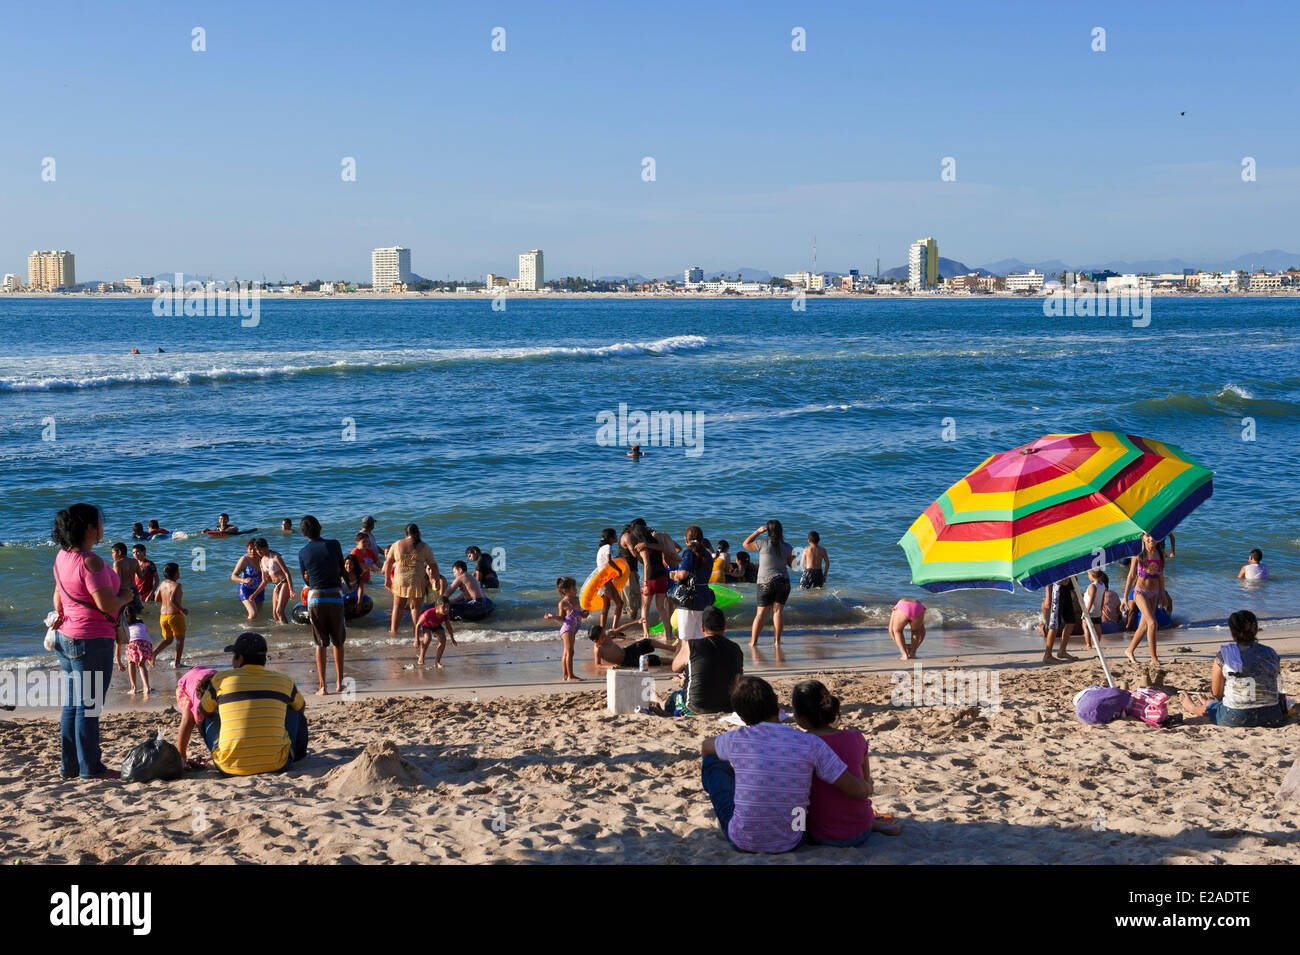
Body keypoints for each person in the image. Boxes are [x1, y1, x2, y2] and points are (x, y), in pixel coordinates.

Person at [700, 676, 872, 853]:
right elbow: (854, 788)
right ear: (776, 701)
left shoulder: (736, 739)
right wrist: (867, 787)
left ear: (742, 718)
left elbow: (705, 747)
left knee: (713, 762)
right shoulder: (809, 742)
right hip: (793, 839)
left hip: (743, 840)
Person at [51, 503, 131, 780]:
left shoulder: (62, 557)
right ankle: (90, 768)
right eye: (100, 521)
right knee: (89, 706)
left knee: (73, 704)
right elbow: (107, 604)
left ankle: (70, 766)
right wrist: (126, 598)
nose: (103, 526)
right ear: (89, 528)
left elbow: (57, 599)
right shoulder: (92, 561)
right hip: (92, 640)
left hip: (67, 637)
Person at [793, 680, 902, 845]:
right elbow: (866, 781)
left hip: (820, 834)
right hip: (860, 829)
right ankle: (873, 823)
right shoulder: (855, 737)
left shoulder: (801, 744)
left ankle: (873, 823)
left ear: (800, 718)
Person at [198, 632, 308, 775]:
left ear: (240, 658)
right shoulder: (283, 681)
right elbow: (301, 708)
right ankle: (297, 753)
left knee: (207, 713)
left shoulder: (221, 679)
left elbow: (203, 711)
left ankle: (231, 751)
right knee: (294, 708)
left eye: (234, 655)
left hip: (228, 767)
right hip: (277, 764)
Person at [1179, 611, 1289, 727]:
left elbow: (1217, 693)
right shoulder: (1271, 652)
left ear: (1232, 632)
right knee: (1213, 703)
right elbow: (1274, 680)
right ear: (1256, 629)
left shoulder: (1225, 654)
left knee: (1212, 705)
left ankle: (1192, 707)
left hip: (1237, 716)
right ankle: (1208, 704)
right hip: (1273, 715)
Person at [298, 515, 347, 695]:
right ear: (320, 527)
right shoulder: (334, 544)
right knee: (338, 642)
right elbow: (341, 570)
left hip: (316, 597)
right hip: (335, 595)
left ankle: (323, 687)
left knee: (320, 643)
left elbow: (306, 578)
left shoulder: (303, 552)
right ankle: (340, 683)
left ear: (303, 534)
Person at [671, 605, 743, 714]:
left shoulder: (692, 645)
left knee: (673, 699)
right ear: (724, 626)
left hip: (695, 708)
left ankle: (658, 702)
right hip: (728, 707)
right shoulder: (736, 648)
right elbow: (738, 680)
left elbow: (675, 667)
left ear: (702, 628)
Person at [382, 523, 441, 635]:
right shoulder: (425, 546)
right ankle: (416, 633)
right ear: (418, 533)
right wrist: (436, 580)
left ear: (406, 534)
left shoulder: (396, 544)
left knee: (398, 607)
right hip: (417, 580)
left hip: (400, 579)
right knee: (415, 608)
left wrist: (387, 579)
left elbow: (388, 562)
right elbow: (433, 565)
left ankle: (394, 632)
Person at [743, 520, 794, 648]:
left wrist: (758, 531)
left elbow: (745, 544)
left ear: (768, 531)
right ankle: (777, 641)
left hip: (765, 582)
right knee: (778, 612)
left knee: (760, 613)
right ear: (781, 531)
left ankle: (753, 642)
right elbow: (792, 565)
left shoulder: (762, 543)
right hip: (783, 581)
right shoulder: (788, 547)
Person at [1123, 534, 1166, 665]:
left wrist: (1163, 596)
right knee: (1153, 623)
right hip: (1140, 592)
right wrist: (1125, 597)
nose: (1151, 539)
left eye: (1154, 536)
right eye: (1147, 536)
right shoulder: (1138, 553)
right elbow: (1131, 576)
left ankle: (1129, 650)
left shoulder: (1161, 553)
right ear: (1142, 537)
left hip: (1154, 592)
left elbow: (1161, 576)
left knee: (1143, 626)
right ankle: (1154, 658)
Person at [669, 525, 716, 641]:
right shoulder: (708, 555)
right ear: (702, 539)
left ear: (686, 540)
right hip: (705, 597)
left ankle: (689, 659)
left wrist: (675, 575)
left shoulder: (689, 552)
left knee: (686, 640)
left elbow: (683, 574)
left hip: (689, 599)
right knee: (700, 637)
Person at [632, 522, 674, 644]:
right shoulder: (654, 542)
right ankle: (668, 635)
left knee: (645, 607)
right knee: (661, 608)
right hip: (661, 577)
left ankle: (646, 635)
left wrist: (645, 582)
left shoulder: (642, 546)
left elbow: (646, 564)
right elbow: (663, 549)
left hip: (651, 579)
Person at [174, 665, 217, 768]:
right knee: (188, 718)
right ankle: (181, 756)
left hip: (205, 676)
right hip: (184, 687)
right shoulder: (200, 701)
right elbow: (199, 723)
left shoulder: (223, 692)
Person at [545, 577, 586, 682]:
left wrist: (584, 614)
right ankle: (571, 676)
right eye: (573, 588)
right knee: (570, 652)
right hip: (567, 629)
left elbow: (580, 614)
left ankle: (565, 676)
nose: (576, 590)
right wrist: (552, 617)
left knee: (566, 653)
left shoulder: (577, 600)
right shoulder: (563, 603)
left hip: (574, 628)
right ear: (565, 591)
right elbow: (562, 618)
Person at [589, 624, 672, 669]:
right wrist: (610, 666)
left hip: (627, 651)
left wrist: (636, 622)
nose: (605, 636)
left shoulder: (606, 635)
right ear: (595, 641)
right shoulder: (598, 650)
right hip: (627, 662)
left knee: (646, 642)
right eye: (602, 637)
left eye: (604, 633)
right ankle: (674, 662)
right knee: (654, 659)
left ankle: (671, 648)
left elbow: (621, 628)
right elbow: (598, 664)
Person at [153, 562, 188, 667]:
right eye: (178, 571)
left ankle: (153, 653)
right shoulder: (177, 585)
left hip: (163, 616)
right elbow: (173, 599)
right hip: (174, 616)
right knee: (180, 639)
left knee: (168, 639)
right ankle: (177, 663)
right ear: (176, 574)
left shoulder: (162, 584)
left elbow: (156, 599)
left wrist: (165, 601)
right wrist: (182, 609)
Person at [258, 538, 295, 625]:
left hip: (284, 583)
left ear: (266, 547)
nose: (259, 552)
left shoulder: (275, 557)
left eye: (260, 549)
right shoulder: (262, 561)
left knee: (279, 611)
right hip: (276, 586)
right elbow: (265, 580)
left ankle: (286, 632)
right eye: (257, 550)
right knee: (274, 614)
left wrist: (291, 590)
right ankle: (281, 632)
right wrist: (254, 594)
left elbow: (287, 573)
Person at [1043, 579, 1080, 662]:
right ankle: (1047, 655)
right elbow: (1048, 579)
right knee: (1054, 624)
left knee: (1071, 621)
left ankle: (1062, 651)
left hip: (1066, 591)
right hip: (1056, 591)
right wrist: (1048, 597)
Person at [594, 529, 624, 631]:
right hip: (605, 581)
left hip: (602, 580)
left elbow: (604, 564)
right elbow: (609, 561)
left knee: (606, 606)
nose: (617, 537)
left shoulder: (602, 548)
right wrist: (619, 570)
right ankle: (614, 629)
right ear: (611, 538)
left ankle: (602, 630)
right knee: (619, 603)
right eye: (616, 535)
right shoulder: (608, 547)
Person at [415, 595, 456, 668]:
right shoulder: (428, 613)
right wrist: (417, 640)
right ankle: (421, 657)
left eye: (448, 607)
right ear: (436, 606)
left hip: (436, 626)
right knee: (428, 638)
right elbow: (418, 625)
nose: (446, 609)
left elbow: (449, 627)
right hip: (426, 625)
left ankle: (437, 662)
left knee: (443, 639)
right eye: (444, 607)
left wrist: (452, 639)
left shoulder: (445, 615)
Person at [230, 539, 266, 621]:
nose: (252, 551)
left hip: (259, 590)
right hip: (246, 589)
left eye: (254, 549)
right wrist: (244, 580)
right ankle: (246, 629)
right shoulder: (244, 560)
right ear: (247, 549)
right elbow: (233, 576)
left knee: (257, 615)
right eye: (250, 549)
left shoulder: (262, 558)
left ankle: (258, 631)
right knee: (253, 613)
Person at [123, 605, 153, 696]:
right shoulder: (141, 623)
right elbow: (144, 632)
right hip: (146, 642)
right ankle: (147, 686)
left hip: (133, 642)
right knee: (141, 664)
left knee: (131, 662)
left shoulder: (125, 625)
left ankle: (134, 688)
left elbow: (122, 640)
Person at [1083, 569, 1122, 635]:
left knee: (1085, 625)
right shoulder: (1114, 594)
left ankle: (1089, 644)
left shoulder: (1095, 590)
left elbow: (1092, 603)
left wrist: (1086, 613)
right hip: (1115, 626)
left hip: (1102, 626)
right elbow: (1119, 611)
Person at [617, 523, 642, 623]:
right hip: (628, 571)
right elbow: (634, 554)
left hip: (628, 570)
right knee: (632, 601)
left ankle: (626, 624)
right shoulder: (627, 537)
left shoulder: (628, 536)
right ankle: (631, 624)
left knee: (627, 599)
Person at [111, 542, 142, 616]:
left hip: (124, 592)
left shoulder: (117, 564)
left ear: (119, 552)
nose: (112, 555)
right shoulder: (134, 561)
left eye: (112, 553)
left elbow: (117, 581)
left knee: (126, 615)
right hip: (134, 590)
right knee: (138, 613)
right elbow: (140, 576)